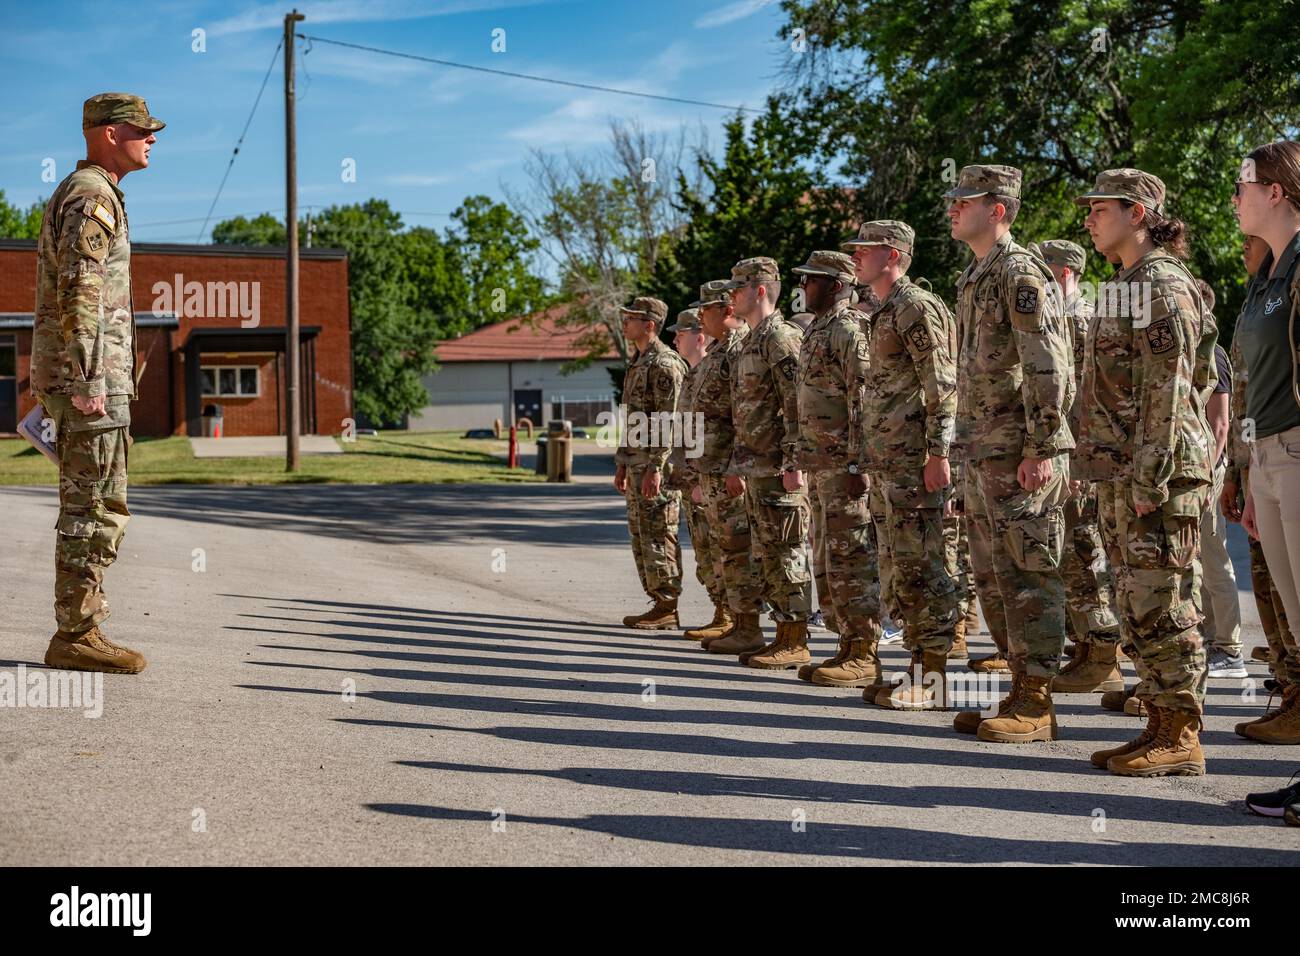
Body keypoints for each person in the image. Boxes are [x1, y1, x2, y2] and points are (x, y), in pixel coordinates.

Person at [1075, 167, 1214, 776]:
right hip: (1121, 470)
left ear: (1138, 214)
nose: (1089, 219)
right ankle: (1158, 718)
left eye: (1100, 209)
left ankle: (1181, 733)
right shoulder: (1123, 283)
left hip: (1154, 472)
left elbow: (1172, 388)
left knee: (1164, 601)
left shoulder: (1161, 283)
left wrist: (1149, 477)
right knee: (1135, 601)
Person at [944, 165, 1075, 743]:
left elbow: (1048, 361)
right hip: (983, 452)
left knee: (1028, 572)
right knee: (994, 575)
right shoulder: (976, 275)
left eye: (963, 200)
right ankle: (1019, 689)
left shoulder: (1020, 272)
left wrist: (1042, 445)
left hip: (1018, 453)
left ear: (997, 209)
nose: (952, 208)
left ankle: (1038, 703)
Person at [35, 93, 164, 675]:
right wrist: (88, 376)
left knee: (99, 502)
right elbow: (80, 289)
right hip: (91, 380)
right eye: (142, 130)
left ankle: (81, 625)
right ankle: (77, 633)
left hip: (94, 378)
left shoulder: (93, 192)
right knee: (90, 507)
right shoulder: (91, 196)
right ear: (110, 133)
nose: (152, 139)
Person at [844, 221, 963, 710]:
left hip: (916, 463)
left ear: (891, 255)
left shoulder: (915, 306)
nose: (855, 256)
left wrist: (938, 453)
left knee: (922, 567)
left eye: (863, 249)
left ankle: (932, 677)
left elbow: (942, 383)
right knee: (898, 568)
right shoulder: (885, 310)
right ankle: (917, 667)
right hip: (892, 466)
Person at [787, 250, 886, 690]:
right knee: (831, 560)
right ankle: (847, 644)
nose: (805, 286)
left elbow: (863, 398)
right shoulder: (818, 331)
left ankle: (864, 651)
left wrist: (857, 462)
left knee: (853, 558)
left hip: (845, 467)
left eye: (813, 280)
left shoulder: (848, 329)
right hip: (822, 466)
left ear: (839, 285)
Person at [1036, 239, 1125, 695]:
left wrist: (1081, 460)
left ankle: (1104, 650)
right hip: (1063, 454)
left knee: (1087, 553)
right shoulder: (1056, 317)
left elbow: (1093, 396)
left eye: (1045, 267)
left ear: (1065, 272)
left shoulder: (1084, 320)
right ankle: (1086, 644)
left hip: (1081, 457)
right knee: (1069, 553)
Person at [1235, 140, 1300, 744]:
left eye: (1243, 186)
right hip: (1269, 458)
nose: (1235, 199)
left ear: (1275, 192)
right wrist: (1252, 472)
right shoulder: (1267, 276)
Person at [723, 257, 814, 668]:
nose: (731, 296)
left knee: (788, 550)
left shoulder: (780, 338)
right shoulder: (752, 341)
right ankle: (781, 632)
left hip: (780, 468)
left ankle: (795, 637)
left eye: (738, 288)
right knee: (769, 553)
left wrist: (795, 458)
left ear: (760, 290)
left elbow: (798, 402)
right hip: (757, 467)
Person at [1225, 235, 1298, 708]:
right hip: (1261, 456)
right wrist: (1242, 470)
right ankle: (1289, 677)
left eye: (1252, 242)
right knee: (1277, 593)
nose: (1245, 248)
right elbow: (1242, 401)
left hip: (1287, 450)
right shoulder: (1256, 298)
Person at [691, 281, 767, 655]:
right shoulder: (718, 351)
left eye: (705, 309)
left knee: (738, 549)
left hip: (729, 467)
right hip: (713, 466)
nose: (699, 316)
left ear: (724, 310)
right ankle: (737, 621)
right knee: (726, 549)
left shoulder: (737, 350)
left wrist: (737, 463)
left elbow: (744, 414)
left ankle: (748, 625)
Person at [614, 296, 688, 630]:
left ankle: (668, 605)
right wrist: (622, 462)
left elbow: (669, 421)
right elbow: (631, 419)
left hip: (656, 469)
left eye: (631, 318)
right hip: (637, 465)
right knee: (642, 535)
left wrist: (657, 467)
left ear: (650, 324)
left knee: (659, 534)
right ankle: (658, 601)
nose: (625, 323)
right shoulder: (638, 361)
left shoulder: (665, 363)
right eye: (625, 317)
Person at [1192, 280, 1246, 678]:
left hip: (1207, 472)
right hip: (1195, 472)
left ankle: (1229, 647)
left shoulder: (1216, 355)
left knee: (1214, 561)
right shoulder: (1191, 350)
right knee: (1197, 562)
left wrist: (1209, 475)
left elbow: (1221, 423)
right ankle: (1210, 639)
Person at [666, 308, 729, 641]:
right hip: (692, 478)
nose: (675, 338)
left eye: (682, 332)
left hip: (710, 478)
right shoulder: (692, 373)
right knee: (705, 551)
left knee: (720, 550)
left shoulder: (711, 371)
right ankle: (720, 609)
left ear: (699, 337)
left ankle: (730, 614)